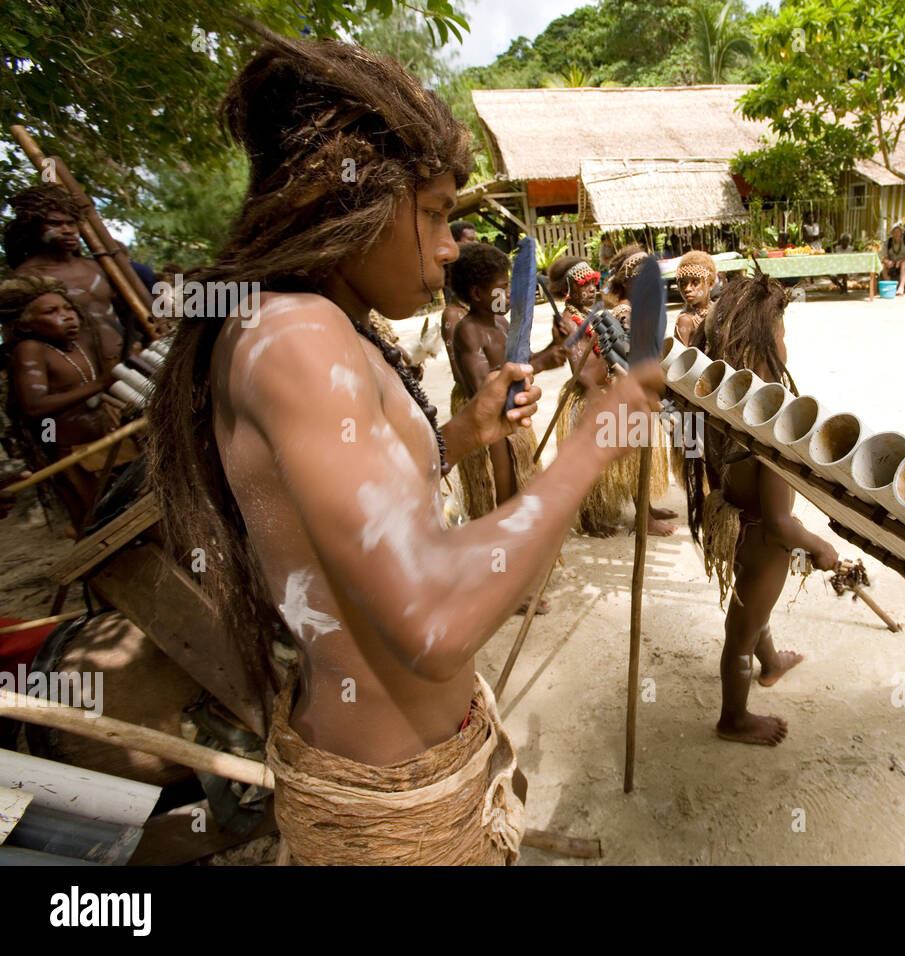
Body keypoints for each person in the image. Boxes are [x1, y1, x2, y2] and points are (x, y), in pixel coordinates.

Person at [146, 28, 664, 866]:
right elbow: (432, 619)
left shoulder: (316, 326)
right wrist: (591, 445)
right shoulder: (298, 337)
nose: (451, 245)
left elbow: (351, 515)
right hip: (389, 812)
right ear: (346, 200)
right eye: (430, 215)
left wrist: (461, 434)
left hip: (418, 772)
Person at [683, 276, 838, 745]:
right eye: (782, 333)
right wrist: (820, 546)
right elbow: (779, 522)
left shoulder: (711, 393)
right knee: (740, 635)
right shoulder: (771, 418)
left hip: (729, 521)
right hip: (763, 538)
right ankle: (734, 719)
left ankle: (771, 663)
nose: (785, 342)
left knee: (755, 605)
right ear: (764, 340)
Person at [560, 244, 676, 537]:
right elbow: (582, 368)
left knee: (637, 454)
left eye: (591, 284)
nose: (589, 290)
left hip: (617, 386)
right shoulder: (574, 319)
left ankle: (645, 512)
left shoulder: (599, 313)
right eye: (582, 286)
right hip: (591, 393)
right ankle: (593, 518)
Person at [0, 275, 136, 527]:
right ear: (25, 325)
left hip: (108, 441)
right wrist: (98, 385)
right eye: (51, 312)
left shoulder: (79, 343)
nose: (66, 315)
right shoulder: (30, 348)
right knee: (101, 521)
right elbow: (34, 406)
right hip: (73, 454)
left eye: (68, 308)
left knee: (135, 508)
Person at [447, 242, 565, 526]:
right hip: (488, 417)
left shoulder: (501, 322)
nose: (510, 293)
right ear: (477, 293)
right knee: (501, 479)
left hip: (508, 411)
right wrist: (544, 361)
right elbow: (483, 389)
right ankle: (501, 532)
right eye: (503, 287)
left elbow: (523, 359)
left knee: (520, 471)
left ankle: (519, 529)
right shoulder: (469, 331)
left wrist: (555, 345)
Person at [3, 185, 129, 360]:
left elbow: (128, 315)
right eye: (55, 223)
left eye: (71, 223)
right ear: (34, 228)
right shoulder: (25, 279)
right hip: (80, 378)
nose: (68, 230)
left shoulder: (97, 267)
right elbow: (18, 345)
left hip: (128, 367)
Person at [674, 250, 716, 344]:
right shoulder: (685, 321)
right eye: (683, 283)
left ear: (710, 284)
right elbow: (678, 357)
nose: (687, 289)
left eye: (695, 282)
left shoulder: (718, 313)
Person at [880, 225, 905, 295]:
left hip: (904, 260)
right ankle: (890, 285)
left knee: (904, 265)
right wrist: (887, 261)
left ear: (901, 233)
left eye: (898, 232)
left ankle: (901, 287)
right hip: (892, 261)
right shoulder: (888, 242)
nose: (896, 234)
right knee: (883, 266)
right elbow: (883, 257)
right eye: (894, 232)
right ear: (892, 233)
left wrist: (902, 261)